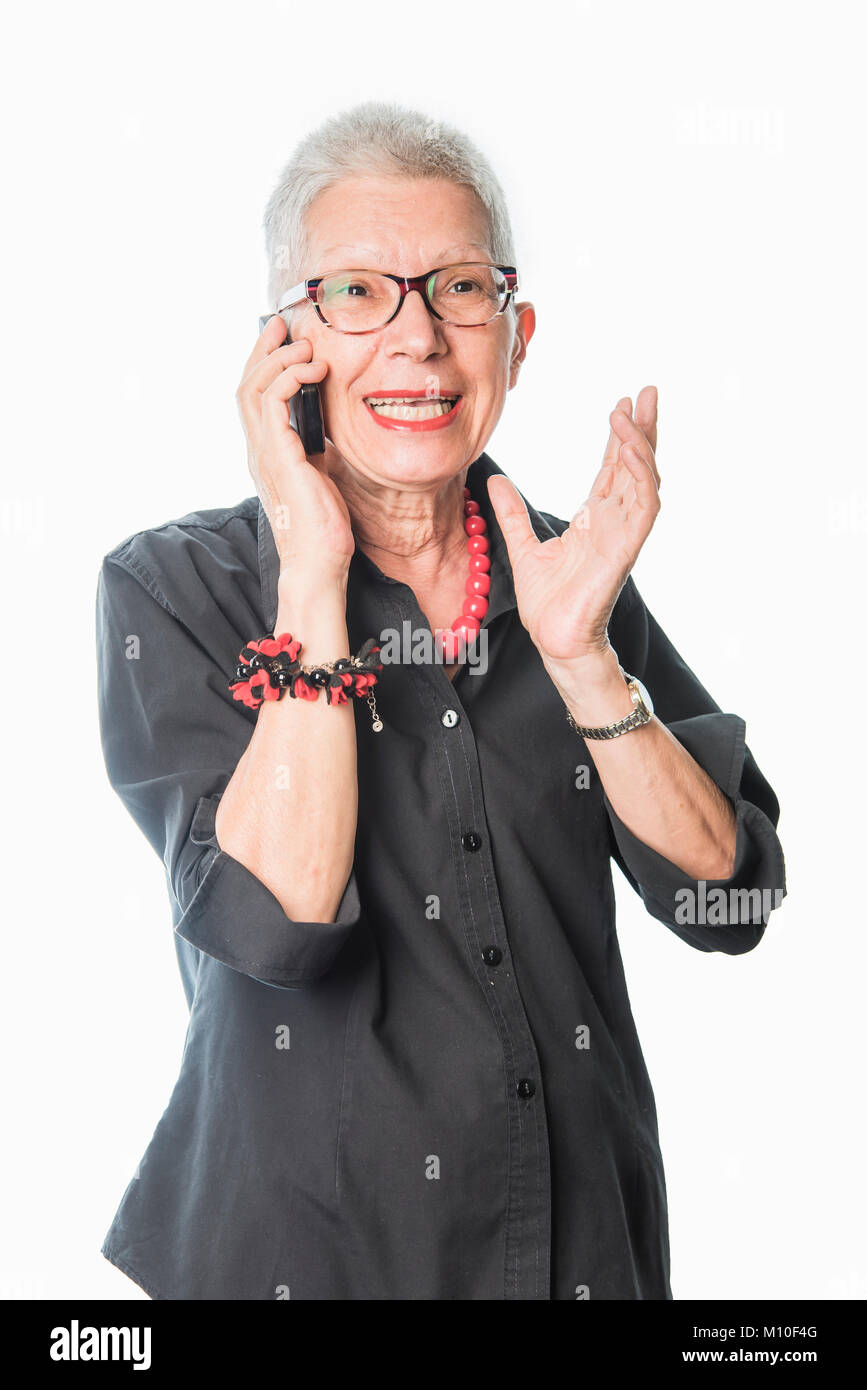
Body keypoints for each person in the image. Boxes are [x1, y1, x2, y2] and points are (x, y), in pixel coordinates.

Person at [95, 100, 786, 1301]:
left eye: (459, 289)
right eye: (358, 292)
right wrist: (309, 564)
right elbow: (277, 922)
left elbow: (732, 897)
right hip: (302, 1259)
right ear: (286, 346)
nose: (416, 339)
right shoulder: (174, 590)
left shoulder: (572, 578)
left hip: (575, 1254)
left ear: (515, 337)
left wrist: (580, 659)